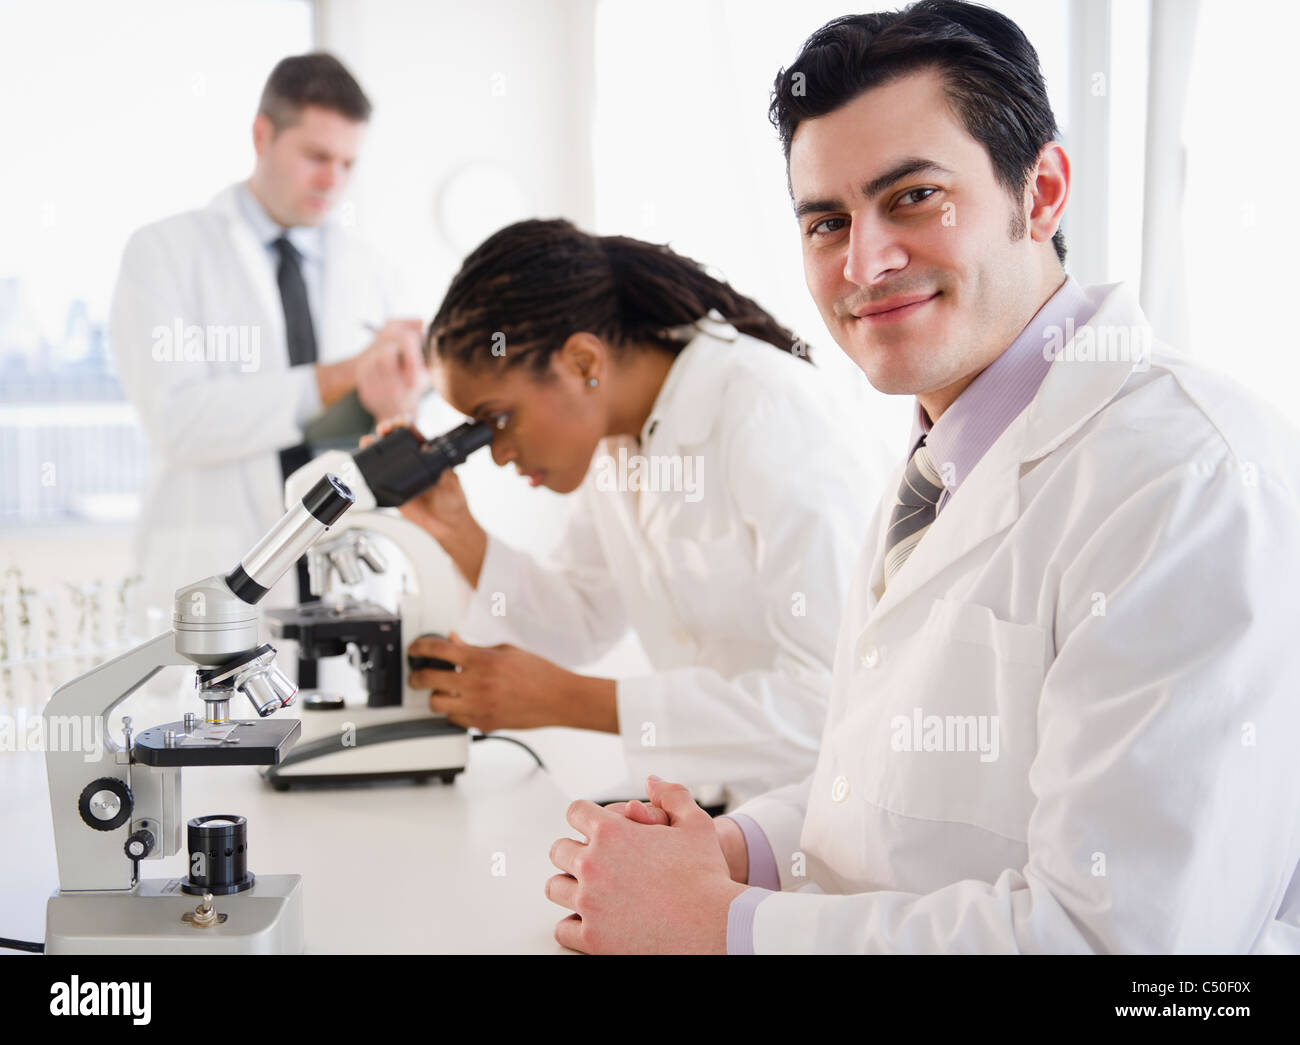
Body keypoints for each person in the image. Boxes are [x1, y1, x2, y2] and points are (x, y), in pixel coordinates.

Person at [544, 0, 1300, 954]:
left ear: (1045, 190)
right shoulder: (944, 458)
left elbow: (1135, 956)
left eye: (913, 196)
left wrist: (726, 928)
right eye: (827, 221)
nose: (866, 261)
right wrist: (741, 851)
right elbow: (892, 801)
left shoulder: (1188, 481)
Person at [394, 218, 892, 808]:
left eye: (497, 420)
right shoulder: (617, 442)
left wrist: (570, 701)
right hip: (730, 800)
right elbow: (580, 622)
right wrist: (457, 532)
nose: (498, 454)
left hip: (828, 814)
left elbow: (825, 706)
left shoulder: (768, 412)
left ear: (582, 362)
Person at [111, 52, 427, 615]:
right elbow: (177, 424)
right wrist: (343, 374)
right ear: (262, 134)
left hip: (342, 568)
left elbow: (384, 433)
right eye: (317, 156)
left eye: (349, 164)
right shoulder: (163, 254)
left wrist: (397, 406)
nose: (333, 181)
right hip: (216, 566)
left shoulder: (374, 271)